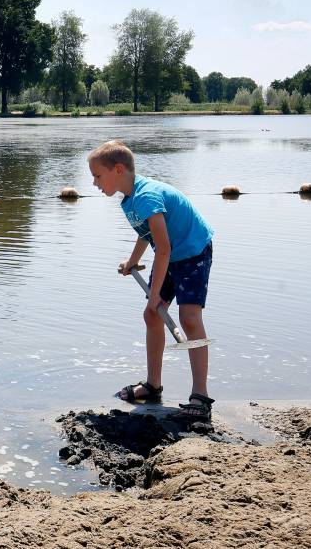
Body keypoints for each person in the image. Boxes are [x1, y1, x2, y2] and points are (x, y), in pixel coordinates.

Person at [87, 140, 216, 421]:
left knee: (189, 318)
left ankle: (201, 395)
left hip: (192, 251)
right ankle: (153, 384)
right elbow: (147, 233)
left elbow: (165, 247)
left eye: (97, 176)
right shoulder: (129, 198)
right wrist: (133, 261)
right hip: (168, 253)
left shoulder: (147, 196)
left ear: (118, 170)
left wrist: (156, 292)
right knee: (152, 315)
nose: (94, 183)